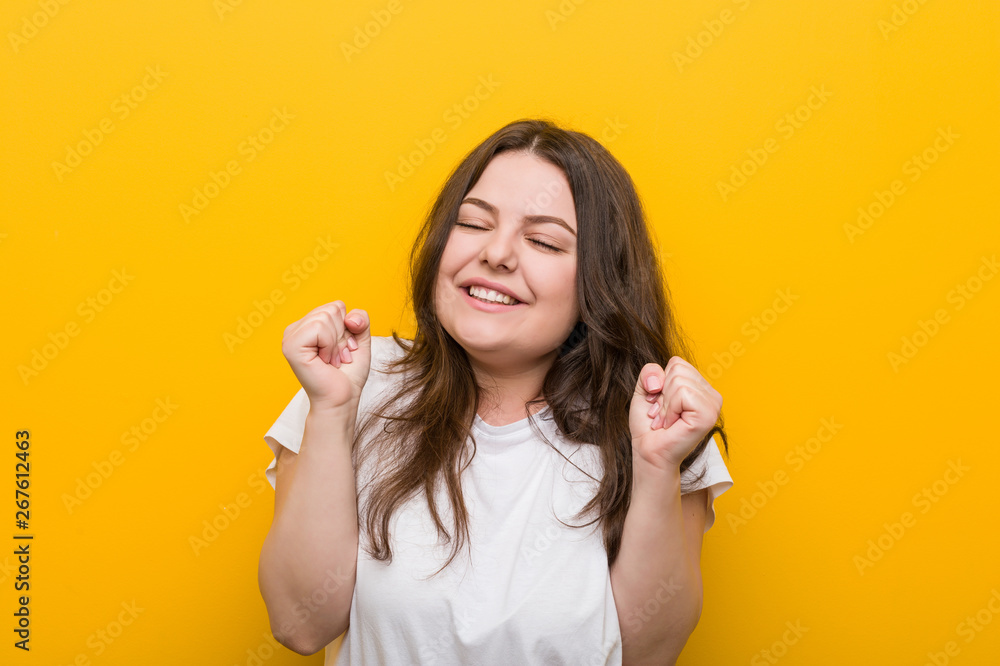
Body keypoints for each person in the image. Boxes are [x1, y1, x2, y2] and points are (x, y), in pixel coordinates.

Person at [257, 118, 734, 665]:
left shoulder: (657, 422)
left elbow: (646, 655)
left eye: (543, 240)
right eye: (473, 223)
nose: (497, 253)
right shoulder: (351, 381)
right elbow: (299, 624)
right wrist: (331, 411)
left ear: (599, 281)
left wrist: (656, 467)